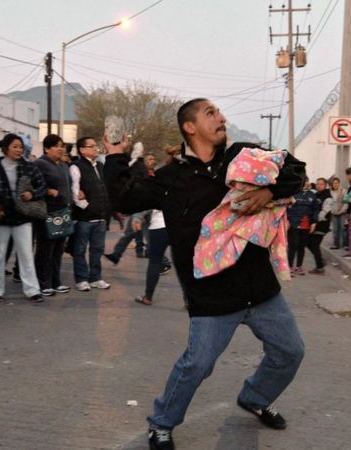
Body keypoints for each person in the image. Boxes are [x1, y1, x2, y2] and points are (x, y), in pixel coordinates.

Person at [104, 98, 305, 450]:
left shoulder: (242, 156)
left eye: (220, 112)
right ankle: (161, 423)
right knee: (196, 365)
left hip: (260, 289)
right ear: (190, 127)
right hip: (211, 297)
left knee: (291, 351)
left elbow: (294, 169)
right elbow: (123, 198)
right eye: (210, 113)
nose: (221, 118)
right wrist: (115, 155)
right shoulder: (172, 179)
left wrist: (269, 191)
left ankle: (256, 396)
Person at [0, 134, 48, 303]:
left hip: (23, 216)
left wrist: (32, 194)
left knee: (26, 254)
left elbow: (42, 186)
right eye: (15, 146)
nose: (19, 150)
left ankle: (32, 290)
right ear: (5, 148)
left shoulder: (29, 167)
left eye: (21, 147)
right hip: (1, 216)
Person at [69, 137, 112, 292]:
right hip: (84, 218)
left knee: (97, 249)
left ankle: (95, 278)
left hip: (101, 216)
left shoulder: (100, 166)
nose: (95, 148)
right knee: (79, 250)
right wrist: (86, 206)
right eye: (91, 146)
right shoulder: (76, 166)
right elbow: (75, 191)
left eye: (95, 146)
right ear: (82, 150)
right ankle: (81, 279)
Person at [33, 134, 72, 296]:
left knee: (58, 249)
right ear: (46, 148)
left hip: (63, 212)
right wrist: (47, 191)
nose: (60, 149)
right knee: (45, 249)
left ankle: (56, 282)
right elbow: (31, 186)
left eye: (62, 146)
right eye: (56, 146)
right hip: (47, 212)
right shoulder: (40, 164)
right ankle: (43, 283)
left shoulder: (63, 165)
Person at [105, 149, 156, 264]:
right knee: (132, 232)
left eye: (153, 159)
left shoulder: (154, 174)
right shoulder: (139, 174)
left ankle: (157, 258)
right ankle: (117, 254)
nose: (153, 161)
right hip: (141, 207)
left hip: (150, 208)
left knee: (145, 234)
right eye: (150, 159)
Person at [133, 209, 171, 305]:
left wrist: (137, 218)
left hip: (158, 226)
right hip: (179, 225)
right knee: (183, 264)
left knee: (155, 262)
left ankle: (148, 297)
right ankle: (188, 299)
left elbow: (145, 204)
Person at [286, 178, 318, 275]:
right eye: (305, 182)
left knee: (301, 246)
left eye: (308, 182)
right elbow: (287, 208)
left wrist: (314, 222)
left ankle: (299, 266)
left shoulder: (312, 195)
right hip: (294, 224)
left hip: (306, 226)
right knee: (293, 245)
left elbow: (315, 210)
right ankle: (289, 266)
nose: (306, 184)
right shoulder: (294, 194)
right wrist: (287, 220)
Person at [307, 177, 332, 274]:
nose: (318, 186)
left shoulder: (328, 197)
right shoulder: (315, 195)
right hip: (314, 224)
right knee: (308, 242)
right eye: (317, 184)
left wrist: (315, 220)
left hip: (322, 224)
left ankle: (320, 267)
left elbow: (325, 212)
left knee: (314, 244)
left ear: (325, 185)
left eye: (321, 184)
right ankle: (320, 261)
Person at [328, 177, 348, 250]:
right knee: (335, 229)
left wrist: (341, 211)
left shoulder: (343, 191)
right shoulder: (330, 192)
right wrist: (331, 211)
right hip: (333, 213)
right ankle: (336, 244)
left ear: (339, 183)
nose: (335, 184)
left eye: (337, 183)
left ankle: (345, 244)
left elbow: (346, 202)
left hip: (342, 212)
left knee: (343, 229)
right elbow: (329, 203)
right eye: (334, 183)